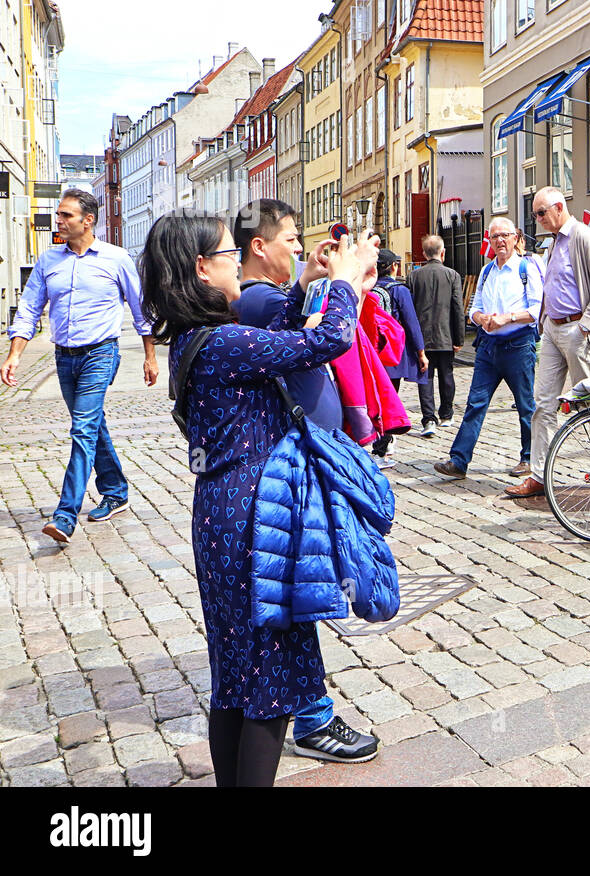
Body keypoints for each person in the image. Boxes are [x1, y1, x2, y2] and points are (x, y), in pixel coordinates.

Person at [139, 214, 366, 787]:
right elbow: (328, 340)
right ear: (201, 270)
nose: (238, 262)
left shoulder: (200, 339)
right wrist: (343, 284)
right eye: (227, 254)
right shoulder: (224, 342)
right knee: (270, 679)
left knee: (235, 676)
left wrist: (303, 285)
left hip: (219, 512)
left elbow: (277, 331)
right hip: (253, 518)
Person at [227, 198, 380, 764]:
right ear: (258, 247)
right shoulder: (254, 297)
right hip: (284, 473)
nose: (297, 246)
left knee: (303, 588)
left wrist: (320, 277)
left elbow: (299, 318)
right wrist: (344, 280)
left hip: (290, 467)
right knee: (303, 588)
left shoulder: (266, 298)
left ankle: (312, 711)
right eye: (290, 238)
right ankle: (313, 717)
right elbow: (327, 337)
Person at [2, 189, 158, 544]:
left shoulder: (116, 259)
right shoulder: (48, 261)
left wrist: (150, 356)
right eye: (58, 215)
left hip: (101, 353)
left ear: (88, 220)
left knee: (83, 429)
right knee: (90, 424)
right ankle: (116, 490)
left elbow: (140, 310)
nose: (59, 221)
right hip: (64, 356)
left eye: (66, 216)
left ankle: (65, 514)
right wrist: (14, 354)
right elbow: (28, 309)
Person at [505, 188, 590, 499]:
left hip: (576, 329)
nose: (537, 219)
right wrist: (542, 322)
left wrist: (586, 324)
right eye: (535, 214)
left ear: (559, 207)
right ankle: (539, 475)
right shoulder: (554, 243)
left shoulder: (582, 236)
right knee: (543, 404)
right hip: (553, 330)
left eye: (541, 213)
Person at [433, 217, 541, 481]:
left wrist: (507, 318)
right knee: (475, 403)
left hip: (518, 345)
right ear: (489, 241)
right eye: (495, 237)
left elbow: (538, 310)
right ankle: (459, 461)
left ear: (515, 238)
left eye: (505, 235)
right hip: (488, 347)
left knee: (526, 405)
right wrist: (480, 319)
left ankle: (529, 458)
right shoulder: (487, 271)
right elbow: (474, 308)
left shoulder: (526, 268)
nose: (500, 241)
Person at [370, 250, 426, 466]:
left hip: (371, 351)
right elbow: (411, 322)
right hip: (392, 354)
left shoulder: (368, 287)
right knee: (388, 399)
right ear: (393, 266)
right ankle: (381, 449)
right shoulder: (399, 290)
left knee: (374, 398)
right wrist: (421, 352)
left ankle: (385, 441)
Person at [408, 235, 464, 433]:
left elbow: (410, 309)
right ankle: (446, 414)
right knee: (447, 375)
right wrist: (459, 338)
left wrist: (411, 338)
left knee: (426, 377)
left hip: (421, 337)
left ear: (424, 254)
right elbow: (457, 308)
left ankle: (428, 419)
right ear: (443, 252)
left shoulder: (414, 276)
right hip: (446, 335)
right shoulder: (452, 275)